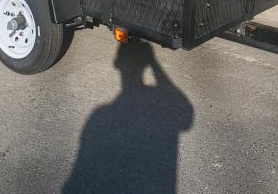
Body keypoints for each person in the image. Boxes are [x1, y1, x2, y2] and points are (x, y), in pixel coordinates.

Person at [63, 40, 194, 194]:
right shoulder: (101, 114)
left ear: (117, 65)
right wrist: (154, 64)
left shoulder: (99, 115)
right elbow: (186, 119)